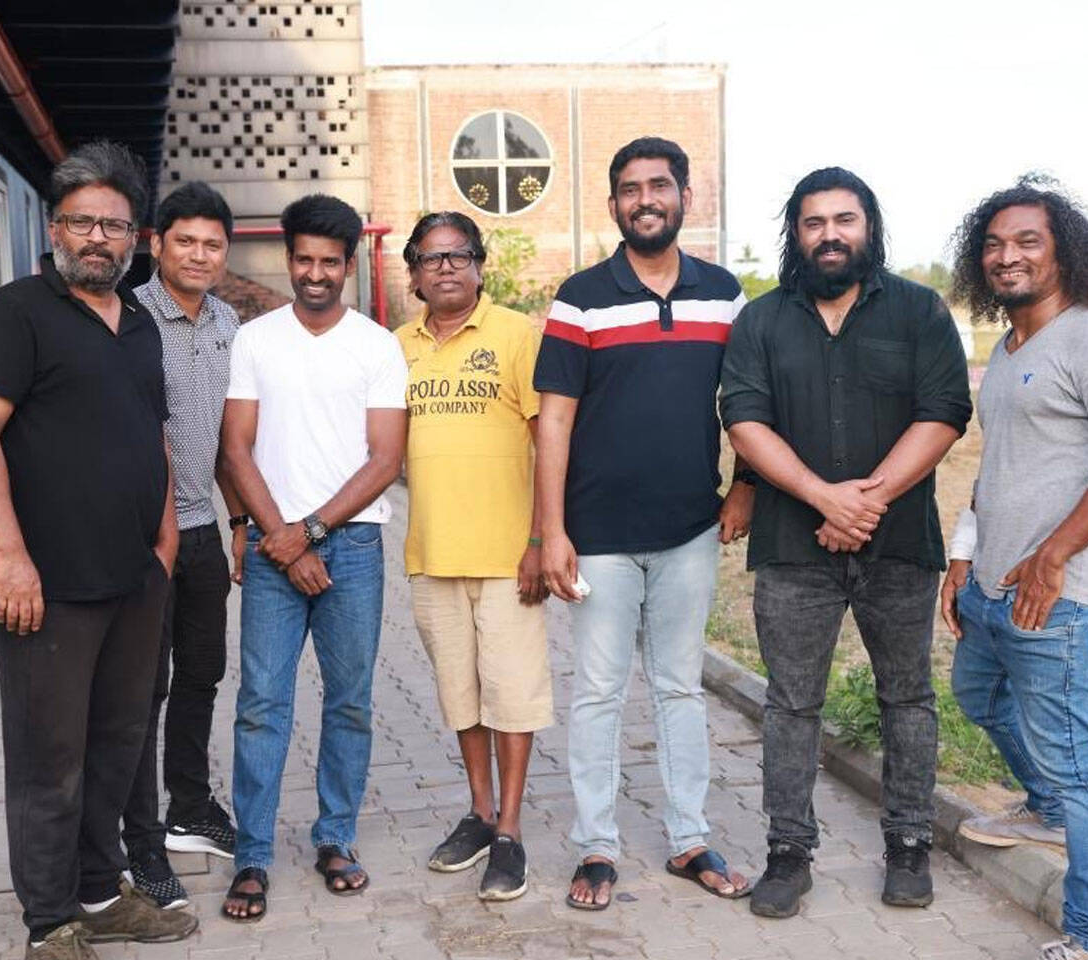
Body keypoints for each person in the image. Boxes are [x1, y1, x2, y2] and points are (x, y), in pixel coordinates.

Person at [0, 141, 198, 959]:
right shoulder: (15, 312)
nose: (98, 237)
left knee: (117, 747)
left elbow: (152, 433)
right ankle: (49, 922)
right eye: (82, 221)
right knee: (48, 758)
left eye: (114, 225)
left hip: (134, 578)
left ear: (136, 238)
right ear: (54, 229)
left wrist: (165, 537)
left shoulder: (141, 325)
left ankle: (99, 893)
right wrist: (8, 556)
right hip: (46, 584)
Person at [720, 167, 972, 918]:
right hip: (793, 551)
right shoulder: (761, 321)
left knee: (908, 698)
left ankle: (910, 846)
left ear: (869, 227)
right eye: (814, 222)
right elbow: (745, 421)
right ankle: (788, 854)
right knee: (792, 704)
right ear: (795, 234)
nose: (830, 235)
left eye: (844, 219)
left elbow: (945, 411)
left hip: (899, 546)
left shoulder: (920, 311)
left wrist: (864, 503)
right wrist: (823, 497)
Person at [941, 176, 1088, 960]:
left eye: (1027, 241)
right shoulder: (1009, 350)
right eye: (994, 244)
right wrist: (961, 557)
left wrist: (1053, 556)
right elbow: (998, 466)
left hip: (1057, 598)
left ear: (1063, 251)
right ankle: (1046, 811)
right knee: (977, 696)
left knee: (1078, 766)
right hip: (993, 585)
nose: (1008, 256)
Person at [536, 136, 755, 911]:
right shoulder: (581, 298)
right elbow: (553, 420)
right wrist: (552, 531)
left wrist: (745, 487)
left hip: (691, 528)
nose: (645, 200)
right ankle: (596, 846)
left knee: (679, 688)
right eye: (630, 189)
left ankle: (690, 838)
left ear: (685, 197)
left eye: (659, 186)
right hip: (598, 535)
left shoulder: (723, 295)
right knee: (598, 692)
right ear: (613, 205)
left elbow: (749, 403)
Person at [219, 193, 408, 922]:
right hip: (275, 549)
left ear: (348, 264)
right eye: (305, 260)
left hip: (351, 547)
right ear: (289, 259)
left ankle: (335, 838)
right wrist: (281, 538)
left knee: (350, 700)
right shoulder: (255, 340)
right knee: (262, 704)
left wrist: (311, 531)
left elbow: (385, 459)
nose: (317, 274)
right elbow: (236, 448)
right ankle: (253, 855)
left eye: (330, 261)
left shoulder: (376, 346)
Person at [396, 210, 553, 901]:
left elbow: (550, 443)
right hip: (432, 553)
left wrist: (541, 540)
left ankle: (511, 830)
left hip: (508, 554)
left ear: (480, 266)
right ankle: (480, 814)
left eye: (458, 255)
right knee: (460, 693)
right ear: (414, 274)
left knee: (511, 694)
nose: (446, 268)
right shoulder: (396, 347)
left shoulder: (517, 334)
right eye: (431, 258)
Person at [122, 181, 245, 909]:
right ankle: (138, 843)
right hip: (142, 539)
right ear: (157, 244)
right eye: (186, 241)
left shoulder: (230, 322)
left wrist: (240, 522)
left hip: (203, 533)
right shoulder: (126, 317)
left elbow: (230, 440)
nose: (199, 255)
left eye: (212, 244)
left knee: (202, 672)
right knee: (144, 686)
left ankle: (189, 808)